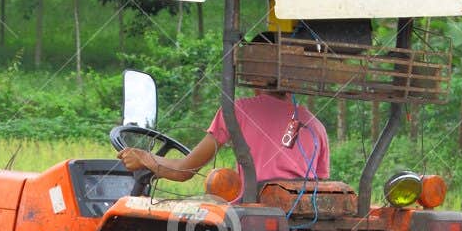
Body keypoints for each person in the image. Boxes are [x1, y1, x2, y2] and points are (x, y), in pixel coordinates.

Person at [117, 89, 330, 197]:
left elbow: (184, 171)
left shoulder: (238, 111)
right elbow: (319, 188)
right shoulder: (317, 126)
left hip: (249, 215)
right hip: (300, 222)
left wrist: (144, 158)